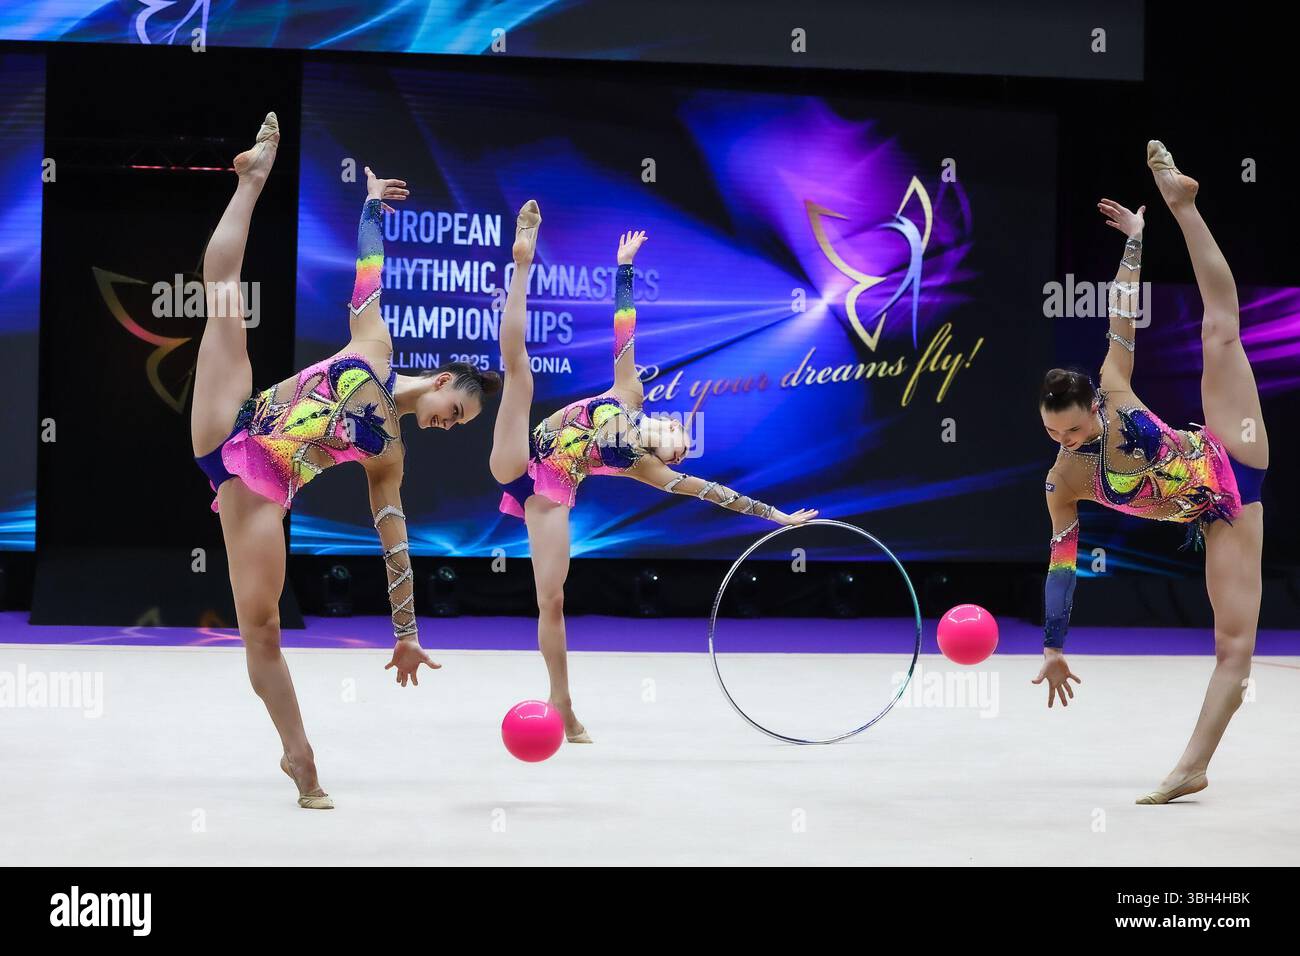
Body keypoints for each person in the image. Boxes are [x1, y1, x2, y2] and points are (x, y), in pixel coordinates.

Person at [190, 113, 500, 807]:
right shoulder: (376, 342)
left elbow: (396, 545)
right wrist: (368, 207)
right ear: (445, 382)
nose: (449, 426)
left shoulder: (388, 454)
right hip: (234, 418)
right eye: (458, 414)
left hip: (261, 486)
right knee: (221, 300)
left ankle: (297, 756)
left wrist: (408, 634)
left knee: (260, 626)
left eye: (457, 426)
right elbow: (371, 269)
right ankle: (254, 178)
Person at [489, 210, 819, 741]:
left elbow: (715, 493)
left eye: (681, 447)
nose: (677, 435)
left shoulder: (647, 468)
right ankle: (521, 266)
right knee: (518, 371)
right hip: (522, 453)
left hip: (548, 494)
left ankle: (562, 703)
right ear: (666, 419)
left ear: (671, 455)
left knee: (552, 600)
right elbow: (625, 329)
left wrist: (774, 515)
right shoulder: (630, 394)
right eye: (678, 429)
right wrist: (624, 267)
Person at [1034, 141, 1267, 805]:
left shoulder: (1112, 382)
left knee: (1220, 330)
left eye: (1075, 428)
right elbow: (1061, 561)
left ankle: (1184, 206)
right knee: (1234, 649)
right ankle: (1192, 767)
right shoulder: (1063, 484)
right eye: (1053, 434)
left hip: (1231, 456)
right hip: (1222, 515)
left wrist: (1138, 237)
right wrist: (1053, 645)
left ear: (1093, 407)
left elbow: (1121, 306)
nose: (1068, 441)